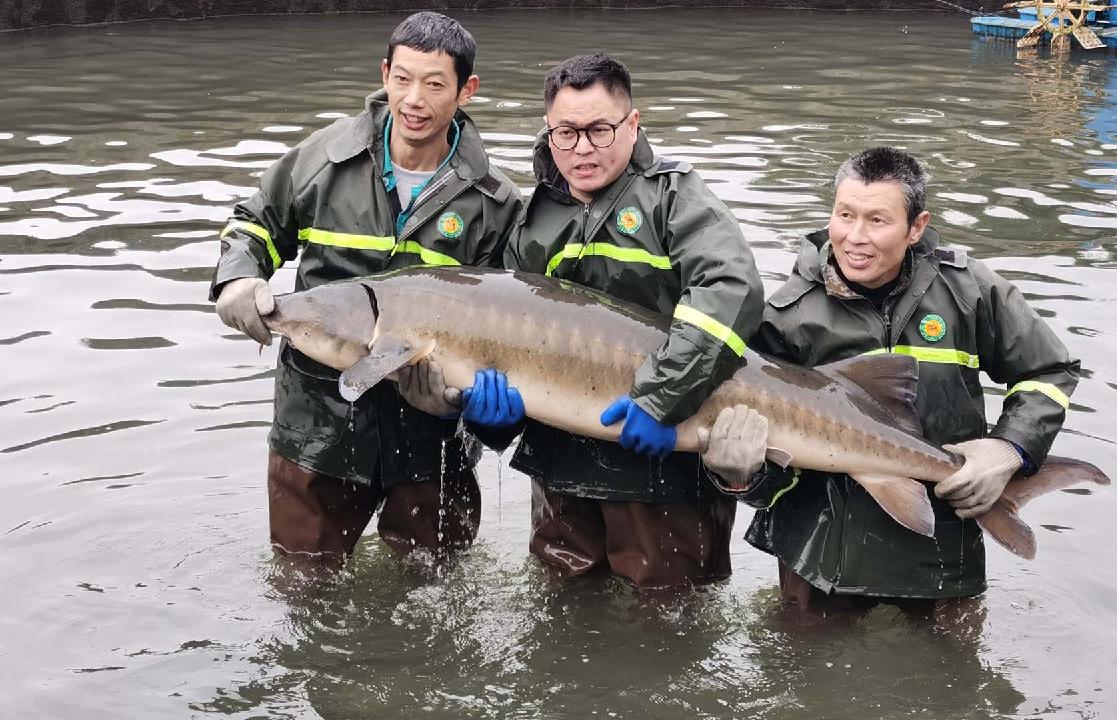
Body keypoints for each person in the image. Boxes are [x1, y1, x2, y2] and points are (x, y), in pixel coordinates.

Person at [701, 147, 1079, 624]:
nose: (855, 237)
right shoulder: (785, 315)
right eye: (844, 215)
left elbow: (1049, 370)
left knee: (952, 690)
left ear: (916, 227)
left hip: (941, 552)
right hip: (819, 559)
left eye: (878, 220)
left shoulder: (970, 291)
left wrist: (1010, 449)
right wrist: (741, 476)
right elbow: (773, 464)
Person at [209, 11, 522, 571]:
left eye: (434, 84)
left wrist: (481, 413)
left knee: (434, 597)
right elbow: (254, 221)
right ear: (384, 73)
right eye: (402, 79)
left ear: (466, 90)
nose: (414, 100)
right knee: (302, 589)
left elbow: (516, 324)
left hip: (433, 437)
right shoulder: (324, 159)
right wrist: (238, 276)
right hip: (318, 423)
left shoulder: (497, 203)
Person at [494, 53, 765, 590]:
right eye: (566, 133)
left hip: (664, 473)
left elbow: (732, 290)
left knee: (667, 636)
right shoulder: (535, 217)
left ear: (633, 123)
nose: (582, 149)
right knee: (558, 630)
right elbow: (501, 325)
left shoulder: (674, 198)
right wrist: (489, 418)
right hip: (560, 475)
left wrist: (661, 398)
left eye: (599, 130)